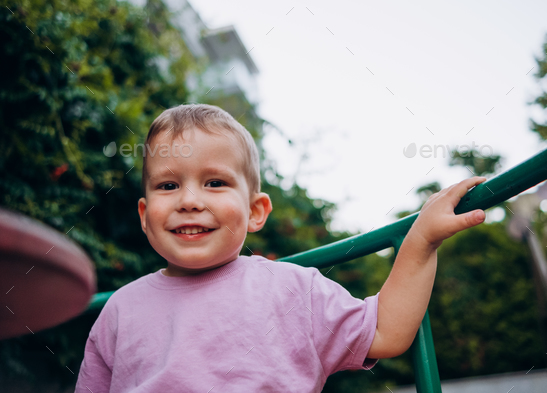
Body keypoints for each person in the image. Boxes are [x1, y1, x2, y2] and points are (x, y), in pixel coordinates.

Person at [75, 104, 486, 392]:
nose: (189, 201)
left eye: (215, 182)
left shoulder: (294, 291)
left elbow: (385, 331)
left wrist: (421, 240)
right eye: (169, 185)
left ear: (256, 211)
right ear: (145, 216)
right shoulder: (118, 311)